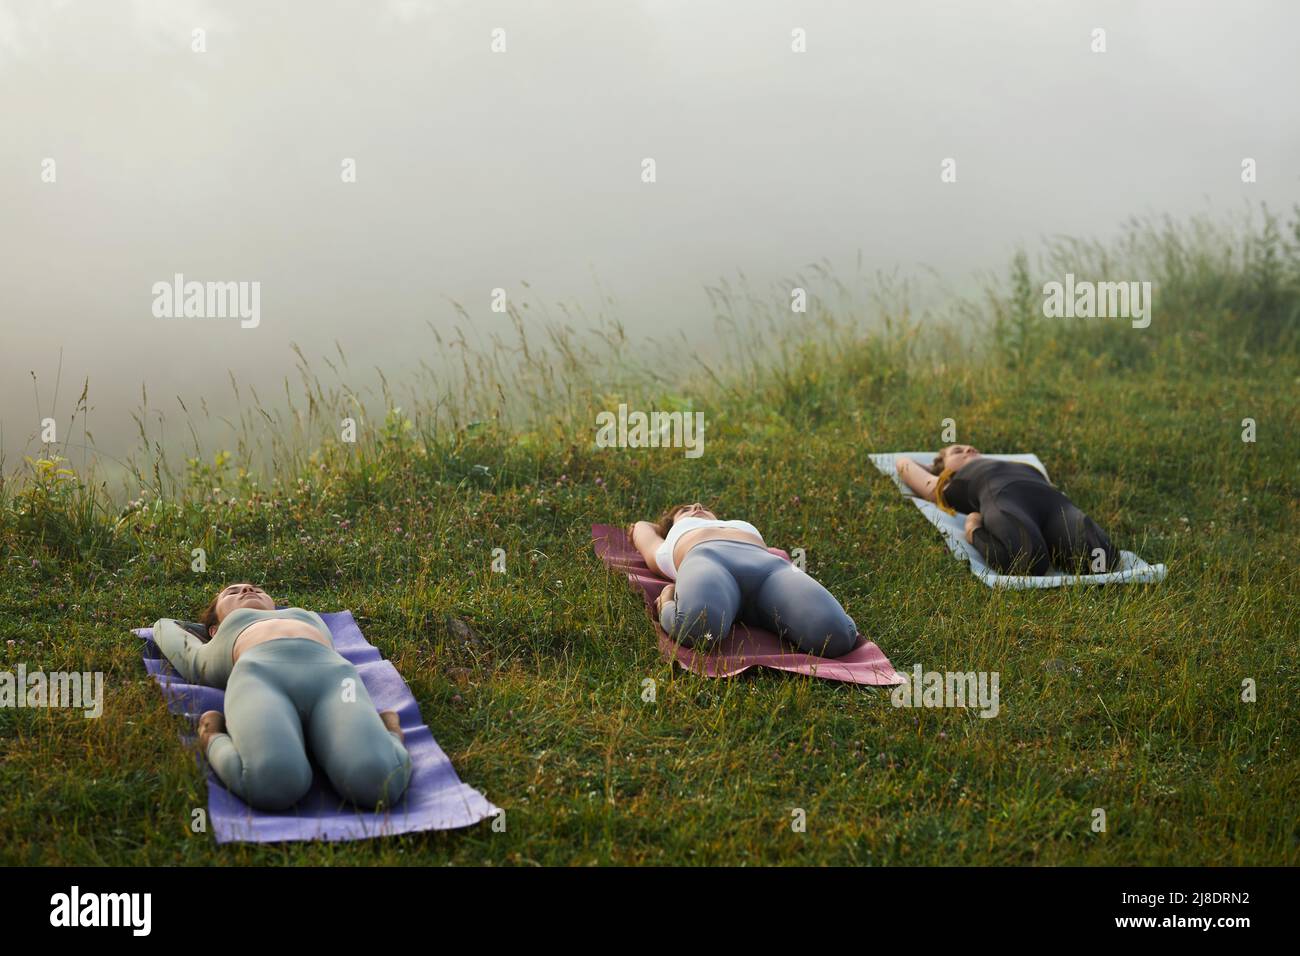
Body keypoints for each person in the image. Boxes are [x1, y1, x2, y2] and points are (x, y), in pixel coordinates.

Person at [150, 583, 411, 810]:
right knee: (273, 783)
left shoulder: (305, 616)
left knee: (379, 783)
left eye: (256, 589)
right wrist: (208, 629)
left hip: (335, 680)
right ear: (213, 631)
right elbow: (164, 629)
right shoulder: (222, 638)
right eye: (232, 592)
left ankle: (390, 734)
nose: (247, 589)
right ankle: (212, 736)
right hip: (260, 679)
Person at [628, 503, 858, 657]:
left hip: (771, 570)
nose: (697, 506)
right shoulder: (667, 545)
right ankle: (668, 606)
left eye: (703, 506)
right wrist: (663, 525)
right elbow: (641, 528)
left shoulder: (735, 525)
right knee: (699, 630)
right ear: (670, 529)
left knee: (836, 636)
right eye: (685, 510)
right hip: (707, 561)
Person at [895, 444, 1119, 575]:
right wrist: (936, 468)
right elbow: (903, 464)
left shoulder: (1016, 464)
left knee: (1101, 559)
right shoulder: (950, 483)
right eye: (957, 451)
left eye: (970, 447)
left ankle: (1053, 542)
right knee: (1029, 561)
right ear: (944, 469)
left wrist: (950, 457)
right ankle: (976, 533)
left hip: (1053, 502)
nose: (968, 448)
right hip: (1005, 499)